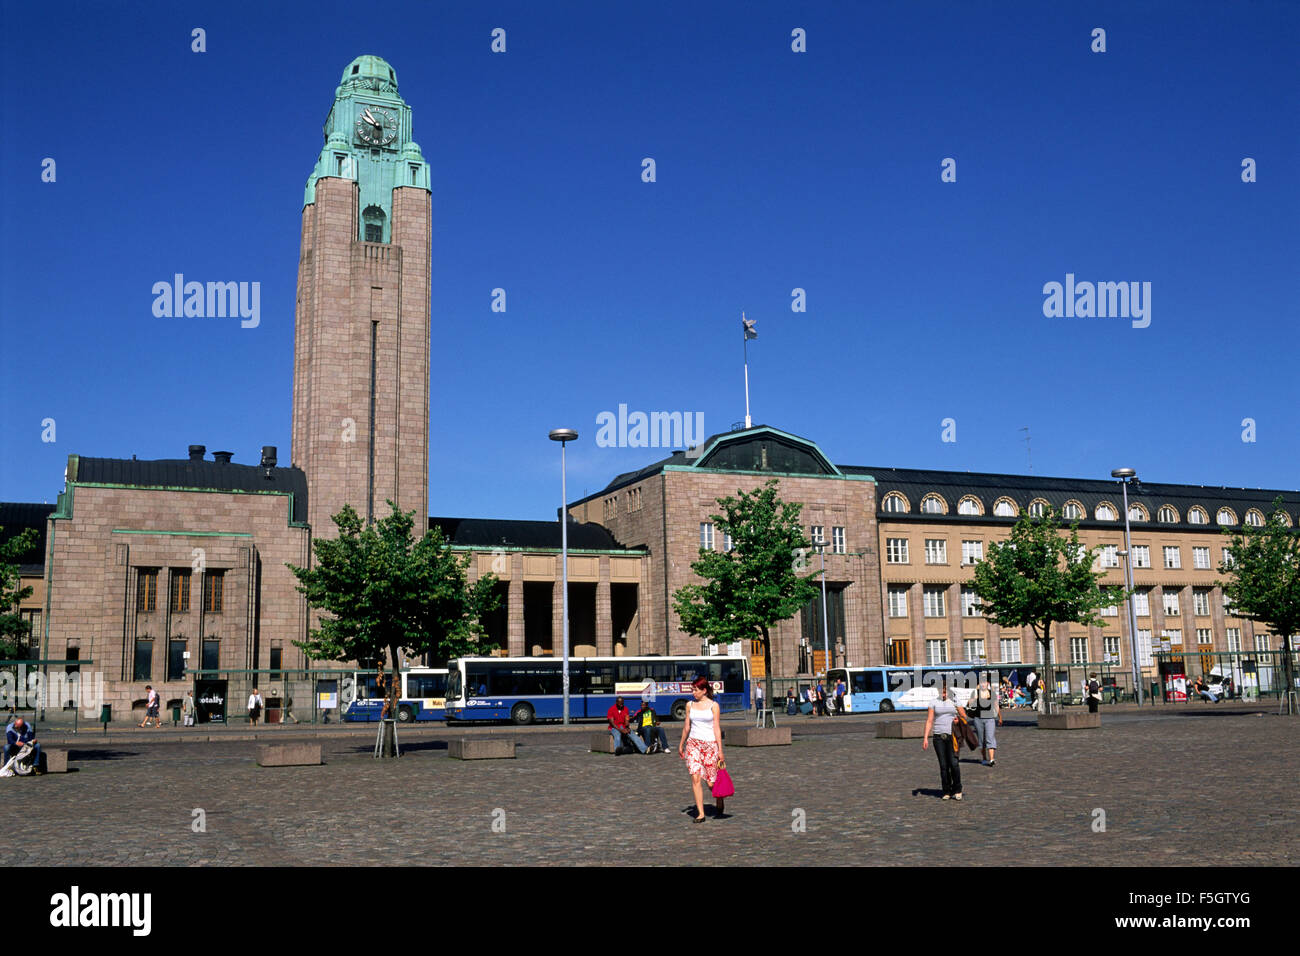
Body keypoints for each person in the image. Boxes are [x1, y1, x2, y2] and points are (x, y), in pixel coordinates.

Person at [678, 676, 725, 821]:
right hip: (693, 744)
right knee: (695, 777)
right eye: (692, 689)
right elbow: (687, 726)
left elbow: (716, 728)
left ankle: (719, 799)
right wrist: (681, 744)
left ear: (704, 690)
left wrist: (720, 750)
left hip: (710, 745)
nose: (693, 692)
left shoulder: (713, 706)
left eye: (695, 690)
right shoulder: (689, 705)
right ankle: (701, 813)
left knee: (711, 782)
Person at [921, 681, 963, 800]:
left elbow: (964, 716)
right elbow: (929, 720)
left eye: (945, 691)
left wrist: (958, 720)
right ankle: (946, 791)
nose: (943, 694)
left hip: (952, 736)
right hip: (938, 737)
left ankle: (958, 789)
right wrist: (925, 738)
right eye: (941, 691)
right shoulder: (933, 702)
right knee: (943, 766)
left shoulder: (955, 701)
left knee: (954, 764)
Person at [972, 676, 1001, 766]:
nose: (983, 684)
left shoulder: (991, 693)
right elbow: (970, 704)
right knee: (981, 740)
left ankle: (991, 759)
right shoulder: (975, 693)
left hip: (990, 718)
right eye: (981, 683)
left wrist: (1000, 717)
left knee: (990, 737)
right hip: (978, 719)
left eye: (984, 682)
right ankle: (984, 758)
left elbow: (996, 705)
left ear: (987, 683)